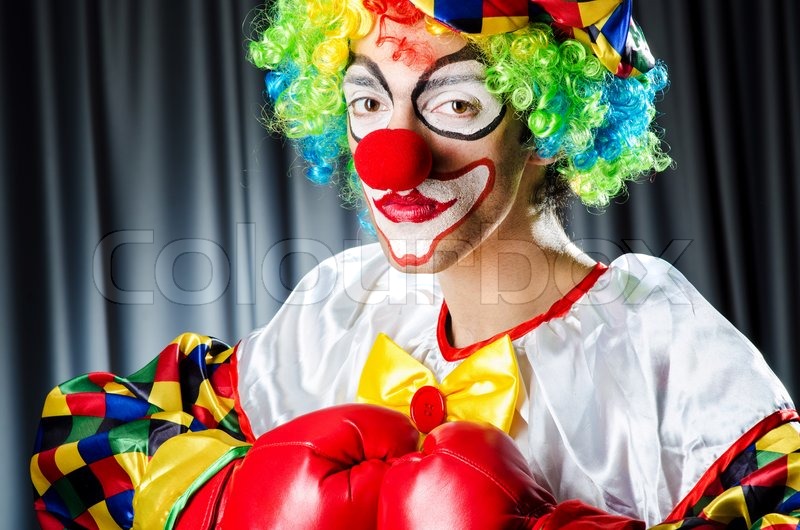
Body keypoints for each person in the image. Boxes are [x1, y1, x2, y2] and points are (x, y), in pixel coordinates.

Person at [30, 0, 799, 529]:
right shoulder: (346, 303)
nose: (395, 158)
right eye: (368, 103)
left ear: (552, 127)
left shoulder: (656, 341)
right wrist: (230, 497)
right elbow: (81, 439)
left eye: (456, 106)